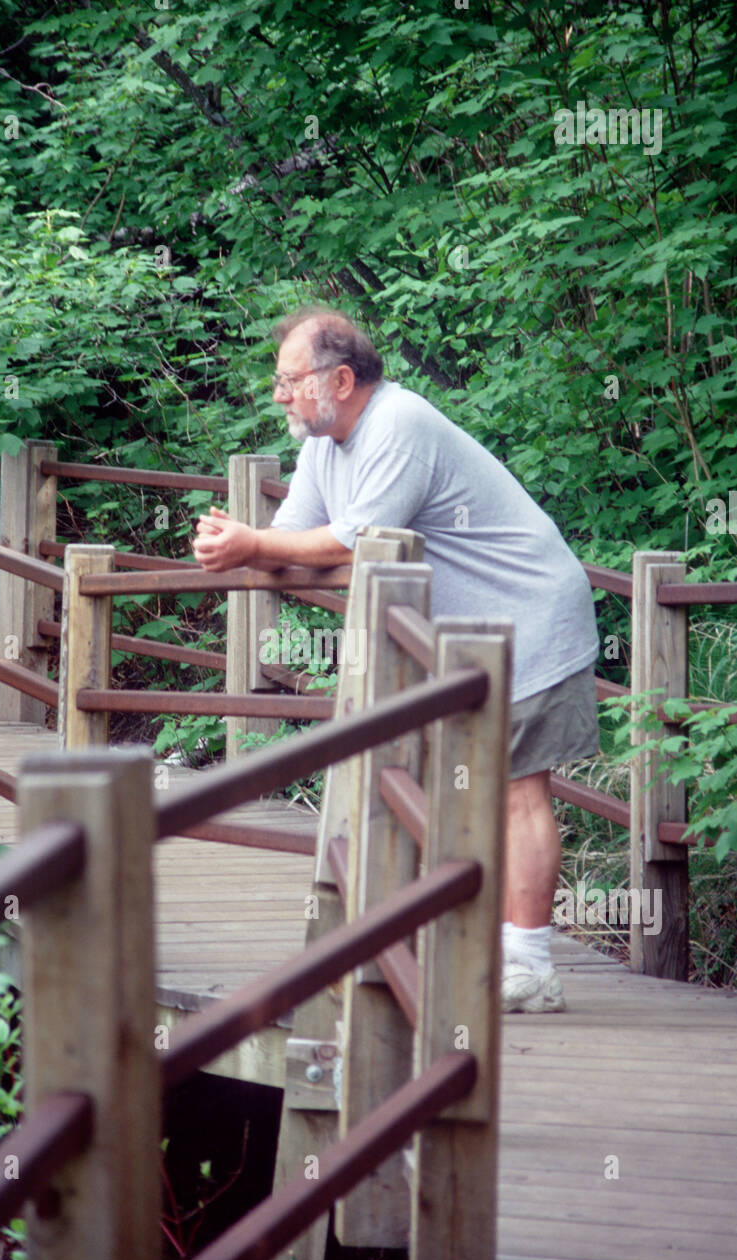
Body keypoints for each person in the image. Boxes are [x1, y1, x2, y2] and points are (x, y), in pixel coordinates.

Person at [194, 306, 601, 1012]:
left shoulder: (397, 425)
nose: (277, 394)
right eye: (278, 380)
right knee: (454, 786)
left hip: (526, 616)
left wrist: (254, 545)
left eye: (290, 379)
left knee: (516, 790)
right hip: (459, 635)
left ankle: (531, 966)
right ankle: (469, 947)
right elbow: (295, 537)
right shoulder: (324, 445)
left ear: (340, 379)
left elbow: (354, 540)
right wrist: (242, 543)